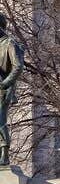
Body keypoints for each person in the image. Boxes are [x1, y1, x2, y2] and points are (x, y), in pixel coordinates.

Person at [0, 16, 21, 166]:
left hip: (3, 89)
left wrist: (5, 83)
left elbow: (18, 66)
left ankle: (4, 153)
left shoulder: (9, 43)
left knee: (0, 120)